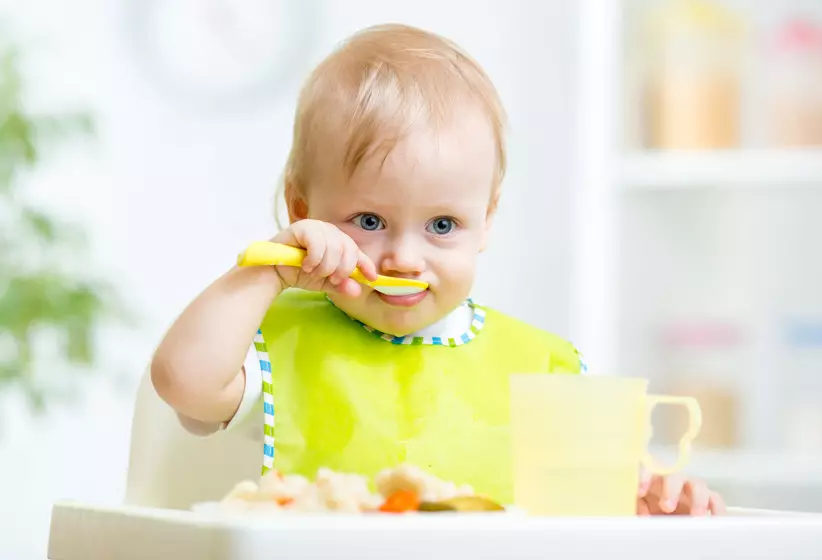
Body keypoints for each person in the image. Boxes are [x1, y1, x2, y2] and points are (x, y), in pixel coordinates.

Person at [151, 23, 724, 515]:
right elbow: (181, 381)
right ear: (304, 212)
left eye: (442, 225)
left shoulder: (542, 370)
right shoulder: (273, 341)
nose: (403, 257)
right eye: (368, 220)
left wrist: (648, 501)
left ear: (486, 221)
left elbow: (590, 510)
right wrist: (267, 271)